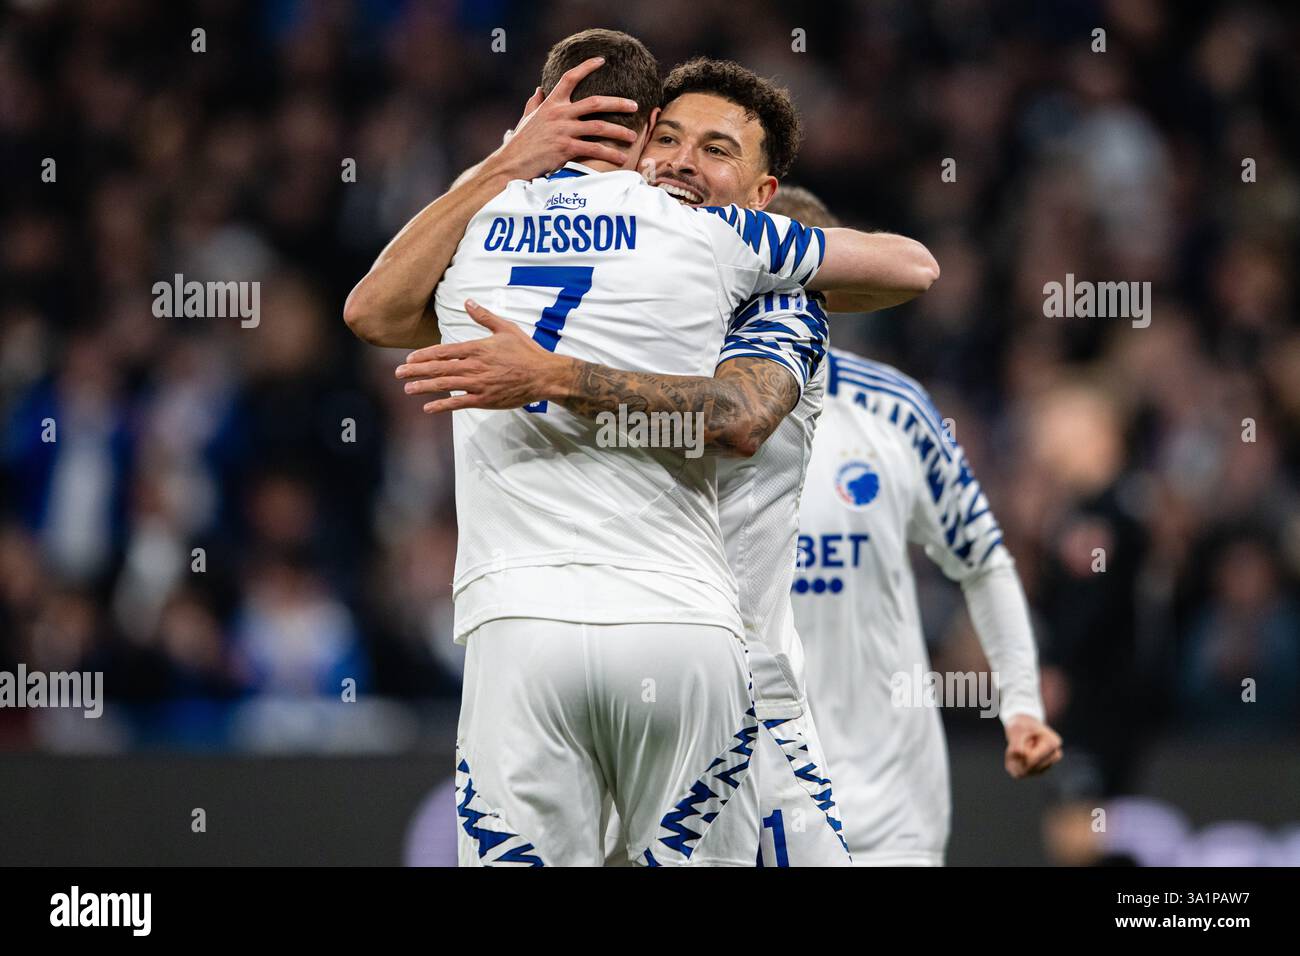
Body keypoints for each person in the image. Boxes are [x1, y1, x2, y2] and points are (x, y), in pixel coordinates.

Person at [346, 31, 898, 866]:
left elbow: (371, 312)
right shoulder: (695, 244)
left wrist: (502, 175)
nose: (679, 162)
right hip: (676, 633)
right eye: (669, 138)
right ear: (639, 140)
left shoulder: (480, 245)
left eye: (712, 150)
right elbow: (910, 266)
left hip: (646, 651)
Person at [769, 185, 1062, 866]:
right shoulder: (683, 415)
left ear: (833, 290)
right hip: (739, 795)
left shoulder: (894, 410)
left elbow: (982, 558)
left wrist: (1020, 706)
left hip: (890, 805)